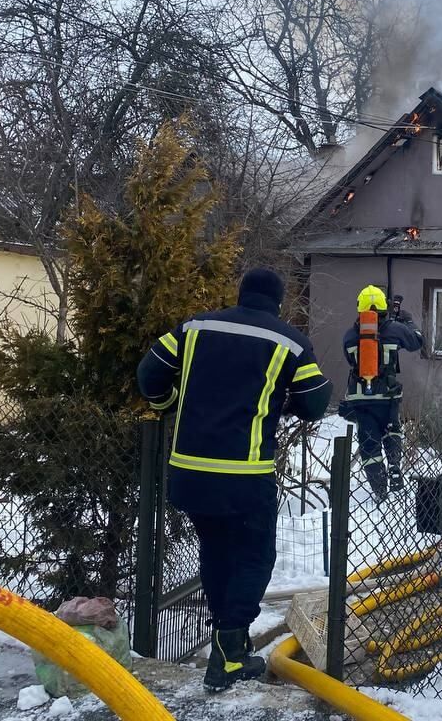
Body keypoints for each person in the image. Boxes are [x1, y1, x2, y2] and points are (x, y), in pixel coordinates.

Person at [136, 268, 331, 693]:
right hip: (244, 475)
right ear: (278, 302)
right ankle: (229, 651)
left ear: (241, 294)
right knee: (254, 557)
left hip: (189, 472)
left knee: (216, 551)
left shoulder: (195, 327)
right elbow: (316, 402)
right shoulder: (289, 342)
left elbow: (149, 374)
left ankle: (229, 643)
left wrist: (168, 403)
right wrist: (281, 404)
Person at [341, 285, 423, 501]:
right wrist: (407, 321)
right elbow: (417, 341)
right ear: (384, 307)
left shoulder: (349, 335)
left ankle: (379, 490)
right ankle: (395, 465)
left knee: (369, 444)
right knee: (392, 429)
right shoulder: (395, 330)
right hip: (388, 395)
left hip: (360, 398)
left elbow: (350, 360)